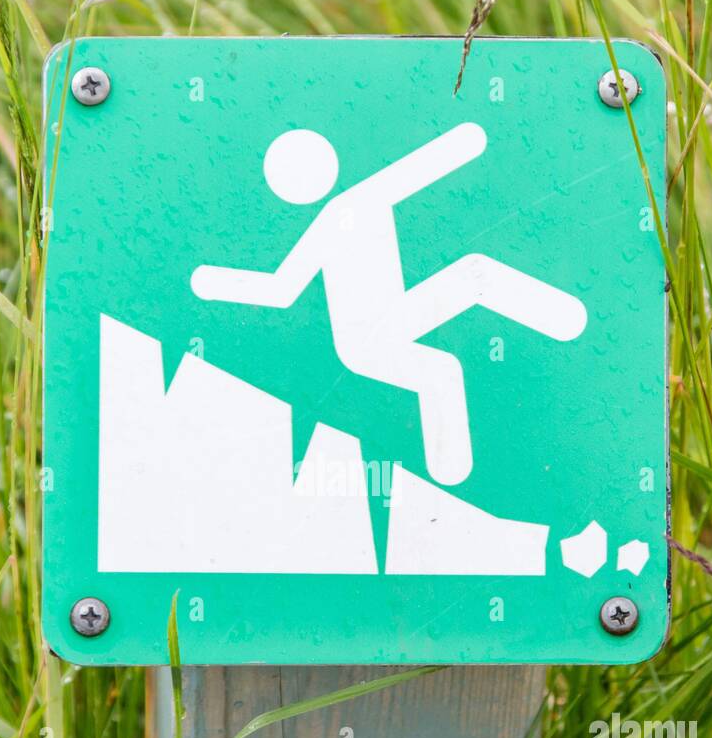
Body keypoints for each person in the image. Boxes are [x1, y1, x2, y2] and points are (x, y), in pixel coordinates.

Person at [191, 123, 587, 486]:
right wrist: (212, 282)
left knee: (473, 278)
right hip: (364, 342)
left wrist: (467, 141)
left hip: (395, 317)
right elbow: (282, 289)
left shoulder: (359, 200)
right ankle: (452, 478)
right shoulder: (334, 218)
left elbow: (420, 168)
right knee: (442, 364)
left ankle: (566, 321)